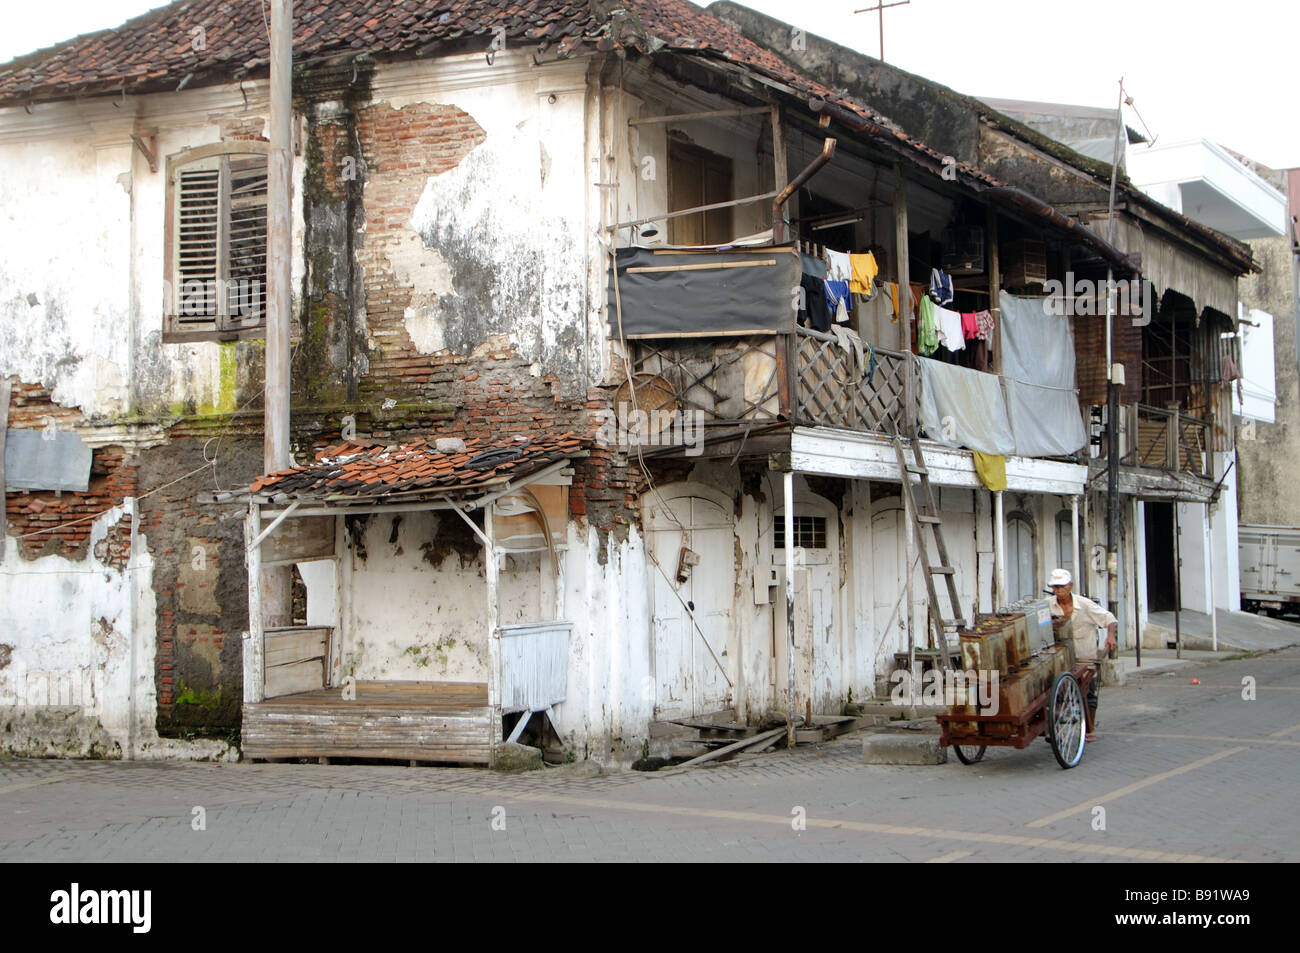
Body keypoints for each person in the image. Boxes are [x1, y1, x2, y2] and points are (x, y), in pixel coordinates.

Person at [1046, 568, 1117, 741]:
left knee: (1088, 694)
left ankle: (1089, 729)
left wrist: (1110, 635)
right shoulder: (1047, 605)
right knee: (1057, 694)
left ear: (1070, 586)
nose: (1059, 591)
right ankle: (1058, 730)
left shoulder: (1084, 605)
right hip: (1059, 659)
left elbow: (1109, 618)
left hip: (1085, 658)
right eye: (1055, 587)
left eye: (1062, 587)